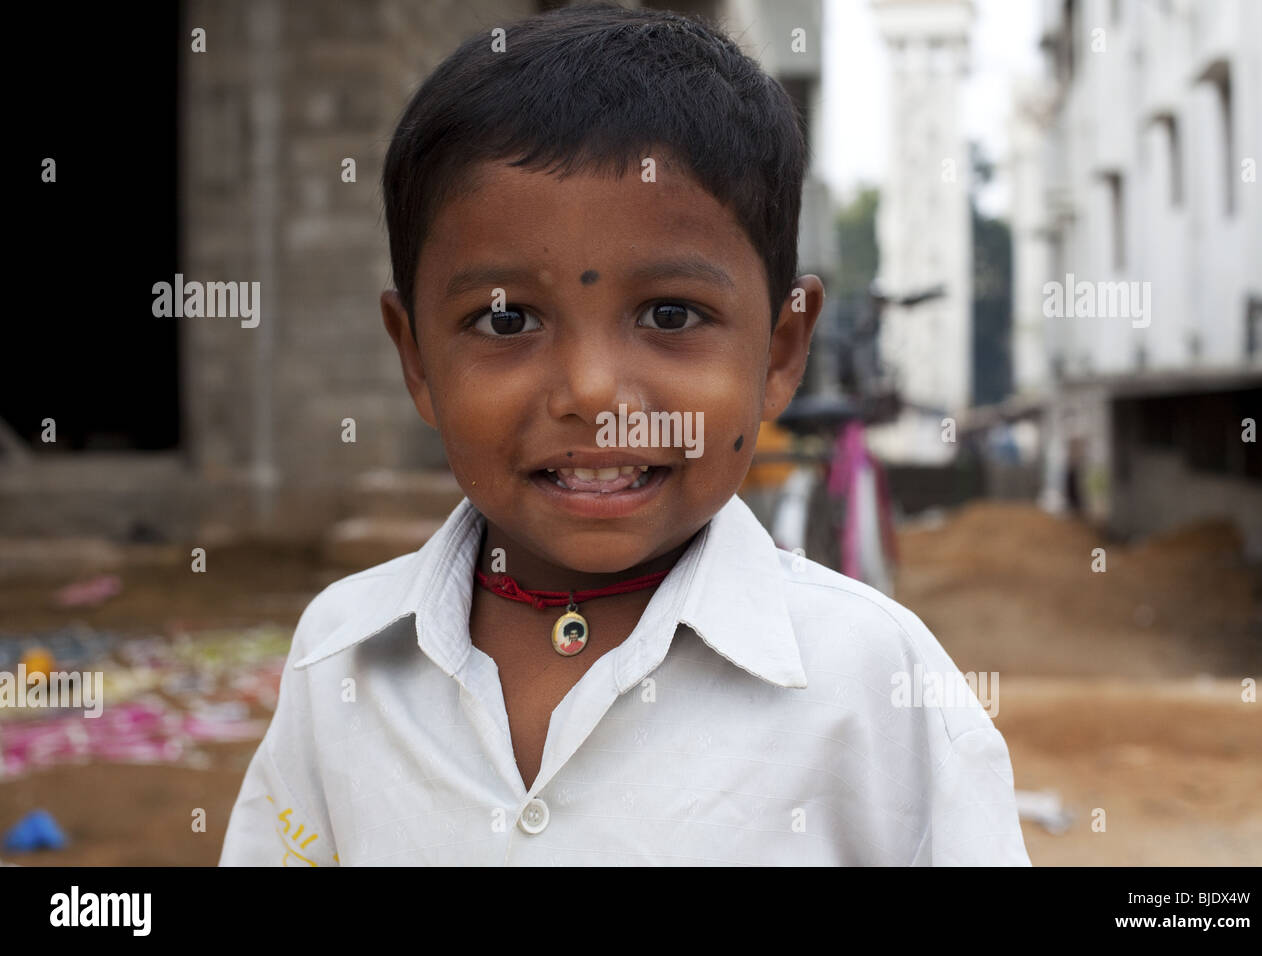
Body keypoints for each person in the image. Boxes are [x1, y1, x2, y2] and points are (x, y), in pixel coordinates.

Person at [219, 2, 1030, 866]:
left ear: (781, 351)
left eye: (670, 313)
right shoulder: (342, 656)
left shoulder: (876, 683)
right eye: (506, 321)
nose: (591, 392)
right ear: (416, 357)